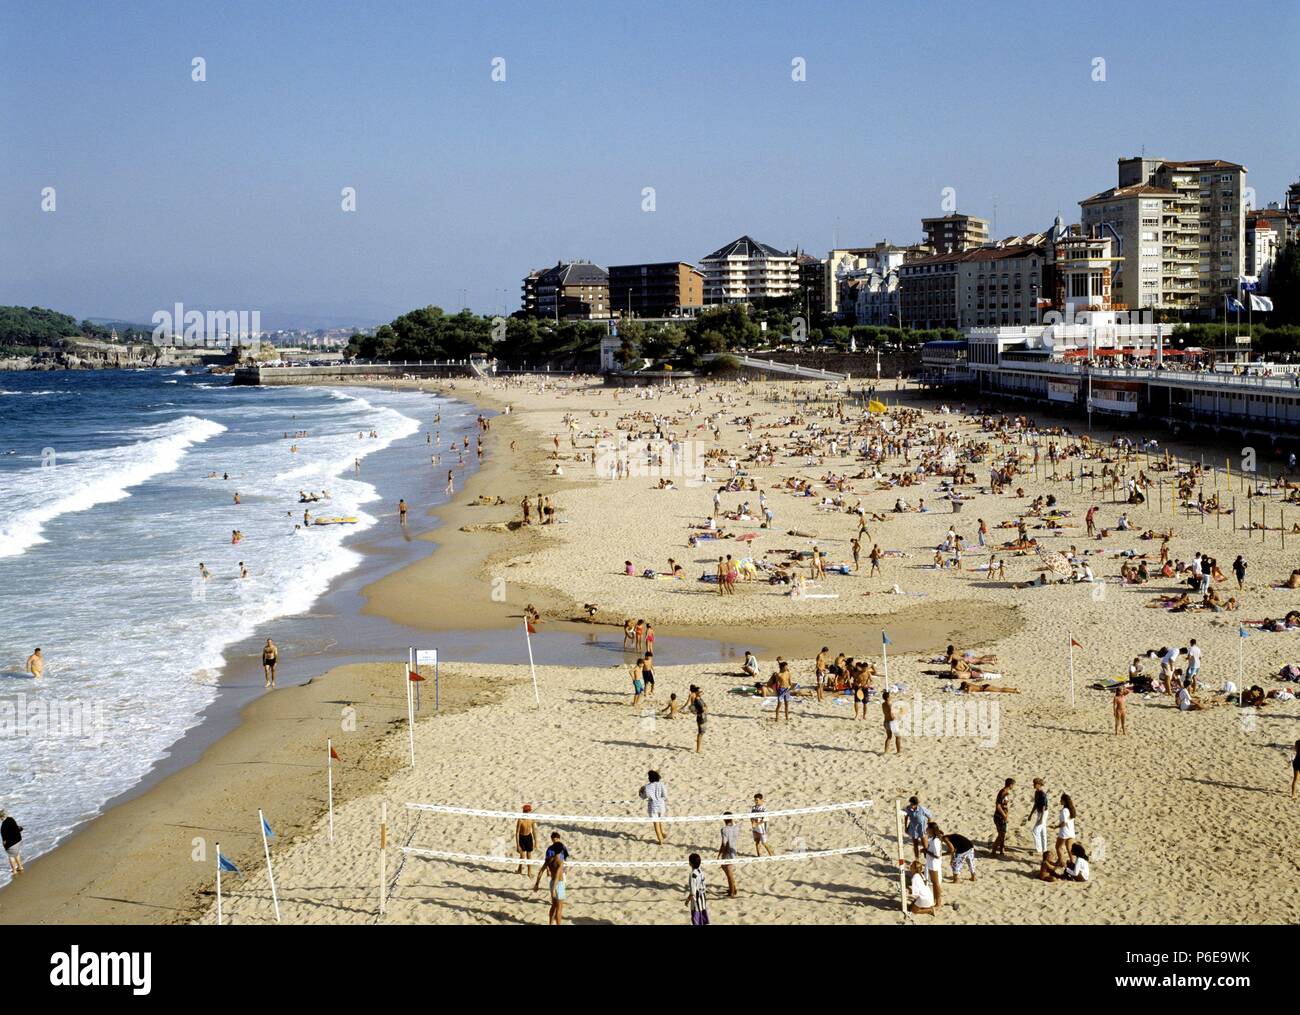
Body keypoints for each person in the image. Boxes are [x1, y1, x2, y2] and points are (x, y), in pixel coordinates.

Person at [1026, 778, 1050, 869]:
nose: (1033, 785)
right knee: (1043, 831)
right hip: (1040, 813)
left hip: (1043, 813)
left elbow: (1044, 806)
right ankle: (1044, 849)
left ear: (1039, 785)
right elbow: (1035, 804)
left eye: (1035, 784)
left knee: (1035, 831)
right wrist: (1031, 814)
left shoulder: (1042, 794)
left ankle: (1039, 849)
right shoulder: (1036, 793)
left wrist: (1042, 818)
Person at [640, 770, 667, 846]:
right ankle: (663, 832)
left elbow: (644, 797)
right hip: (661, 805)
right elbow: (665, 795)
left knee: (656, 824)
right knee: (660, 820)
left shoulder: (647, 787)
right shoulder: (662, 785)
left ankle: (660, 841)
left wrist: (640, 791)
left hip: (653, 807)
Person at [923, 821, 945, 909]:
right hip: (931, 863)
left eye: (928, 828)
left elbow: (937, 855)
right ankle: (936, 900)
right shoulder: (932, 838)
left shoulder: (935, 841)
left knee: (936, 883)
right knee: (934, 883)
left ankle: (938, 903)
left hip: (934, 864)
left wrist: (926, 851)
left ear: (932, 829)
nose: (926, 829)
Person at [903, 796, 932, 860]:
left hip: (922, 828)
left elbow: (929, 816)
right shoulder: (908, 808)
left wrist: (928, 827)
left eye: (912, 804)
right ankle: (917, 859)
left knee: (925, 846)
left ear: (916, 804)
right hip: (913, 828)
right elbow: (906, 817)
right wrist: (906, 827)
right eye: (910, 804)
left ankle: (927, 859)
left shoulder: (922, 809)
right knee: (915, 844)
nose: (911, 805)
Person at [991, 778, 1014, 858]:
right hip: (999, 817)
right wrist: (1004, 815)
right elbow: (998, 806)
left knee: (1002, 834)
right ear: (1010, 785)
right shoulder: (1003, 793)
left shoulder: (1005, 792)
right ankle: (993, 851)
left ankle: (1001, 850)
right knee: (1001, 834)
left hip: (1002, 817)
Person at [718, 815, 739, 897]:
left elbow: (724, 843)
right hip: (734, 850)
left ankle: (732, 892)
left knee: (729, 873)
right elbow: (734, 824)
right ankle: (733, 888)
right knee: (725, 868)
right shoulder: (736, 828)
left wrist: (720, 853)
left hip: (728, 852)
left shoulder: (724, 830)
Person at [1053, 793, 1077, 868]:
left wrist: (1055, 827)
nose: (1060, 801)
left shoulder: (1064, 811)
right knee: (1069, 848)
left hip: (1064, 832)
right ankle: (1072, 863)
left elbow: (1063, 823)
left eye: (1061, 800)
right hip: (1071, 831)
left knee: (1058, 847)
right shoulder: (1072, 809)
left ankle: (1061, 862)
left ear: (1064, 801)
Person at [687, 853, 709, 925]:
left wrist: (687, 900)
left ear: (691, 863)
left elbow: (693, 892)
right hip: (703, 897)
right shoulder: (700, 871)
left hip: (697, 899)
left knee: (696, 917)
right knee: (703, 915)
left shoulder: (693, 874)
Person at [514, 804, 536, 875]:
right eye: (524, 811)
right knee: (522, 855)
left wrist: (536, 841)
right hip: (522, 837)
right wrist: (517, 845)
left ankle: (529, 872)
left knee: (529, 855)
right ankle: (519, 869)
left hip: (529, 837)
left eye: (526, 811)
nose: (525, 812)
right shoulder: (520, 820)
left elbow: (534, 831)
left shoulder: (532, 819)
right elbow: (517, 833)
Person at [0, 808, 21, 876]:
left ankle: (14, 871)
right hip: (18, 840)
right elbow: (16, 827)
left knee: (11, 856)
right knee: (17, 853)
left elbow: (4, 840)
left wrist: (5, 847)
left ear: (2, 817)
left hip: (11, 844)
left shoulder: (3, 827)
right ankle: (20, 867)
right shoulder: (11, 819)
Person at [883, 689, 902, 754]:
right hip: (892, 723)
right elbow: (891, 716)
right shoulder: (890, 705)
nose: (891, 697)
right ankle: (898, 751)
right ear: (888, 698)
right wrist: (897, 718)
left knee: (889, 737)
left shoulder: (883, 704)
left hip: (886, 722)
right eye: (890, 696)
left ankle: (886, 751)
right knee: (898, 737)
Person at [691, 688, 707, 753]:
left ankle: (699, 747)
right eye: (700, 691)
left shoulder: (700, 699)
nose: (701, 692)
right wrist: (705, 708)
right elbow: (703, 708)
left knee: (702, 733)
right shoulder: (697, 700)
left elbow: (706, 705)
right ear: (697, 693)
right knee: (700, 733)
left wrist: (705, 707)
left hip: (703, 717)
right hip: (701, 717)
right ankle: (698, 749)